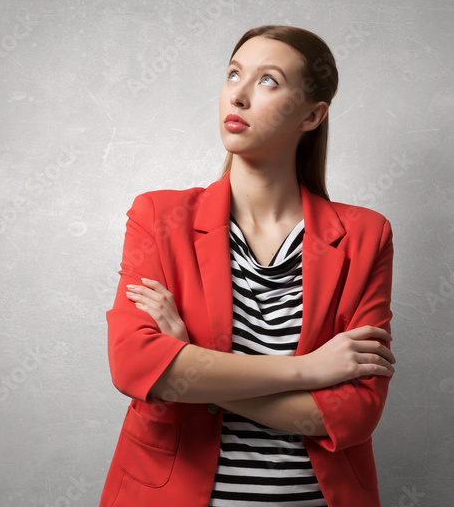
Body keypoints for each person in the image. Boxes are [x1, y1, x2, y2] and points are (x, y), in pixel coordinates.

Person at [100, 25, 396, 506]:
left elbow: (354, 413)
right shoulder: (159, 217)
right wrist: (308, 371)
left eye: (267, 81)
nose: (237, 95)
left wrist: (193, 368)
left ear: (312, 115)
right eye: (233, 74)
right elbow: (136, 367)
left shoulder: (365, 236)